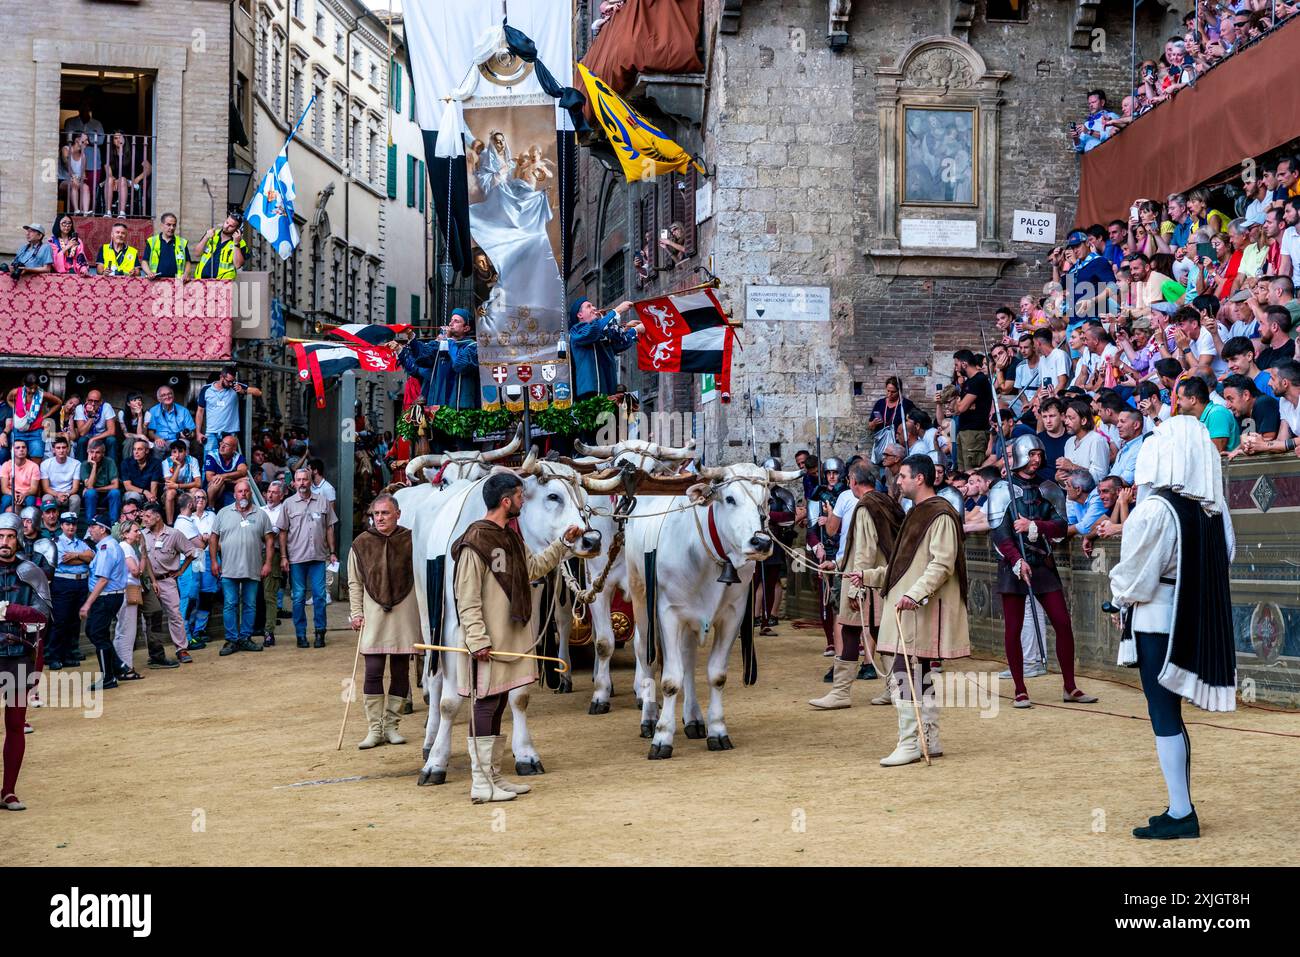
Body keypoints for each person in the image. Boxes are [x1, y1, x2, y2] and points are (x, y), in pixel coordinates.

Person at [1108, 417, 1236, 839]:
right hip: (1191, 616)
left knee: (1163, 714)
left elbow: (1134, 576)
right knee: (1170, 716)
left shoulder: (1157, 509)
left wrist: (1119, 597)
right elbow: (1226, 558)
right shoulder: (1213, 511)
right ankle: (1179, 806)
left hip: (1157, 620)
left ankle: (1182, 812)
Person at [451, 472, 581, 802]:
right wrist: (477, 639)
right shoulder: (475, 540)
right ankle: (481, 783)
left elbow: (533, 568)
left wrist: (563, 544)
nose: (524, 501)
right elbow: (466, 597)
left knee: (496, 705)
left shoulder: (510, 537)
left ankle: (493, 776)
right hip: (487, 642)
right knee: (486, 703)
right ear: (506, 500)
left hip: (507, 640)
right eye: (521, 496)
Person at [859, 455, 968, 766]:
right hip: (910, 605)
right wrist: (868, 576)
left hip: (920, 608)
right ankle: (927, 739)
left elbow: (942, 564)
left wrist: (915, 595)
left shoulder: (941, 515)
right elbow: (902, 566)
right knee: (916, 674)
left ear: (920, 478)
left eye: (903, 476)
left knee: (903, 672)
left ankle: (910, 743)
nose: (898, 481)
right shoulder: (916, 513)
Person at [989, 435, 1098, 708]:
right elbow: (1000, 533)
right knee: (1013, 628)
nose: (1037, 459)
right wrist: (1015, 559)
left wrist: (1034, 525)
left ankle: (1070, 686)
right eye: (1033, 454)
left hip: (1043, 562)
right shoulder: (1001, 489)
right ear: (1022, 455)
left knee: (1062, 622)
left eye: (1040, 454)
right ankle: (1019, 688)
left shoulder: (1049, 488)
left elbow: (1060, 526)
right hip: (1013, 565)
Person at [809, 461, 903, 711]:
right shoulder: (886, 503)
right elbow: (861, 548)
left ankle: (841, 693)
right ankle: (894, 690)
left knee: (850, 630)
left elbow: (865, 550)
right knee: (881, 633)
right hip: (882, 578)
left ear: (852, 480)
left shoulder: (865, 507)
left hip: (866, 582)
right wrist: (837, 563)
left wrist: (855, 587)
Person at [348, 493, 420, 749]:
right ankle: (374, 729)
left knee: (401, 671)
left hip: (405, 614)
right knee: (374, 671)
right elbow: (355, 582)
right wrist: (356, 613)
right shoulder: (361, 543)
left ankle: (392, 726)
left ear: (397, 514)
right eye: (376, 514)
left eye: (385, 513)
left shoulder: (412, 540)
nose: (379, 518)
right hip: (374, 616)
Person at [0, 512, 53, 811]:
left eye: (9, 536)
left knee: (16, 724)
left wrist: (11, 610)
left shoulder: (31, 571)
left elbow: (44, 615)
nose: (3, 542)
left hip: (19, 655)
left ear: (18, 538)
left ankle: (8, 791)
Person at [211, 479, 272, 657]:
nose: (243, 494)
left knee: (250, 605)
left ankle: (245, 638)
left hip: (252, 568)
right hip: (228, 569)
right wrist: (214, 561)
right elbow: (213, 538)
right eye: (240, 491)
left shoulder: (260, 514)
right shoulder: (223, 513)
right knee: (230, 604)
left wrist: (268, 563)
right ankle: (231, 639)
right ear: (234, 494)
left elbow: (269, 540)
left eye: (246, 491)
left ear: (250, 493)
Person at [281, 467, 337, 648]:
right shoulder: (288, 504)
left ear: (310, 480)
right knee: (298, 597)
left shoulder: (323, 501)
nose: (302, 483)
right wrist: (283, 556)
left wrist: (333, 551)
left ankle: (320, 633)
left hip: (318, 557)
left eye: (305, 479)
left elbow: (329, 527)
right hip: (297, 558)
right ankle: (300, 635)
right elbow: (282, 532)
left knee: (320, 596)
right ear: (294, 483)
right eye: (299, 480)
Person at [139, 502, 200, 664]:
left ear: (158, 516)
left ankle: (182, 649)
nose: (144, 519)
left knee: (175, 615)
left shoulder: (174, 534)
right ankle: (154, 653)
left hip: (167, 580)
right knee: (150, 618)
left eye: (147, 516)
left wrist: (180, 571)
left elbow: (191, 552)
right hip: (148, 582)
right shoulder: (141, 535)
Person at [80, 517, 128, 691]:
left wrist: (87, 603)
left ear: (102, 529)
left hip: (106, 596)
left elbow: (102, 580)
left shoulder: (107, 548)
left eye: (93, 526)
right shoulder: (106, 547)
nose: (90, 530)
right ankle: (118, 667)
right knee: (94, 631)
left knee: (96, 633)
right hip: (109, 596)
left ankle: (109, 677)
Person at [399, 308, 480, 412]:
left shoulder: (472, 347)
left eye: (456, 321)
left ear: (466, 328)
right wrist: (411, 335)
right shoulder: (443, 344)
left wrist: (449, 339)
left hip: (460, 407)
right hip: (437, 405)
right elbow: (423, 357)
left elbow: (459, 364)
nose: (451, 324)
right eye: (451, 320)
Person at [568, 298, 644, 400]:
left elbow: (618, 344)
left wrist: (635, 330)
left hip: (607, 390)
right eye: (589, 306)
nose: (594, 308)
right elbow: (593, 331)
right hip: (591, 391)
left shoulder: (598, 330)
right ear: (580, 315)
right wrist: (617, 310)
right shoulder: (576, 330)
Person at [47, 512, 93, 671]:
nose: (71, 526)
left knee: (74, 622)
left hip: (81, 583)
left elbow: (92, 557)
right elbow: (65, 559)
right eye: (67, 524)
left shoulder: (80, 542)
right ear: (61, 525)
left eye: (73, 523)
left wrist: (76, 555)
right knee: (60, 621)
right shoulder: (56, 542)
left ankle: (67, 655)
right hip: (63, 583)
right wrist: (81, 557)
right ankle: (53, 656)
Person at [196, 366, 259, 463]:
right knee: (208, 462)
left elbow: (258, 392)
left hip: (230, 432)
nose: (230, 384)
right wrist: (198, 432)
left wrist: (243, 391)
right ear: (221, 377)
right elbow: (200, 411)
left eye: (232, 381)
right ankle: (207, 478)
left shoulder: (235, 386)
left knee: (229, 462)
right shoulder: (206, 389)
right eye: (228, 381)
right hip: (211, 432)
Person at [112, 520, 146, 681]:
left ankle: (120, 665)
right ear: (125, 534)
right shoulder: (125, 547)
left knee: (123, 630)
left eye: (138, 530)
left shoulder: (126, 547)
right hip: (128, 590)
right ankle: (126, 667)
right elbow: (136, 571)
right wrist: (144, 553)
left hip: (125, 590)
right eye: (135, 530)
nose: (138, 533)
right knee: (127, 631)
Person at [951, 350, 993, 470]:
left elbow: (961, 407)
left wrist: (962, 405)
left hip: (975, 432)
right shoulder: (968, 382)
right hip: (964, 430)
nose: (956, 369)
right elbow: (957, 410)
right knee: (961, 470)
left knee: (971, 471)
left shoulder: (979, 380)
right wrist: (962, 404)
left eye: (956, 365)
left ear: (964, 364)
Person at [7, 375, 62, 462]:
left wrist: (46, 416)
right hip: (19, 432)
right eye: (30, 388)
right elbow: (9, 399)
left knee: (36, 459)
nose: (33, 390)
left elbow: (58, 402)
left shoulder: (42, 394)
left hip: (36, 432)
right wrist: (16, 410)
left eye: (35, 388)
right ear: (25, 385)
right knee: (17, 460)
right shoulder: (16, 392)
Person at [1175, 376, 1237, 452]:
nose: (1177, 402)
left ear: (1192, 400)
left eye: (1180, 398)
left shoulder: (1217, 414)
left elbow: (1215, 452)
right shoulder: (1197, 418)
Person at [258, 480, 287, 646]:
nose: (270, 495)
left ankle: (269, 631)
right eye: (269, 491)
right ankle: (252, 629)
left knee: (269, 594)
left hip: (274, 554)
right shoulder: (259, 510)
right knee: (253, 594)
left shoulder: (284, 511)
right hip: (255, 553)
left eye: (274, 492)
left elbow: (272, 535)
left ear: (282, 495)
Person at [146, 385, 197, 456]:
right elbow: (150, 432)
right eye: (163, 395)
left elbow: (193, 433)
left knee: (184, 444)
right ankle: (158, 467)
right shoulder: (153, 410)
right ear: (159, 399)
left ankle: (183, 467)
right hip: (162, 440)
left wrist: (188, 435)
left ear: (173, 395)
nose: (167, 397)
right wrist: (157, 438)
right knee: (157, 446)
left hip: (179, 440)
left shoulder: (184, 411)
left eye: (169, 394)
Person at [195, 213, 248, 280]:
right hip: (201, 280)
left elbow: (238, 265)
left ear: (237, 229)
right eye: (227, 222)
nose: (226, 226)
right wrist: (206, 237)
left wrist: (236, 243)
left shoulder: (241, 243)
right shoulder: (212, 234)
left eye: (231, 226)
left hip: (223, 284)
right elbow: (197, 253)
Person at [79, 440, 122, 523]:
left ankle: (114, 525)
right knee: (91, 493)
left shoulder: (109, 462)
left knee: (115, 492)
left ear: (103, 453)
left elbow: (115, 485)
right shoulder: (84, 464)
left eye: (97, 452)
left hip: (106, 496)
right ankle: (90, 524)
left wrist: (96, 489)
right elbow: (90, 486)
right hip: (91, 498)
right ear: (88, 452)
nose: (94, 455)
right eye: (92, 452)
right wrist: (94, 466)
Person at [161, 439, 201, 524]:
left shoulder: (192, 460)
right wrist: (178, 466)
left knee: (195, 491)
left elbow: (198, 483)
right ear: (171, 453)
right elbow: (169, 485)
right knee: (170, 492)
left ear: (186, 452)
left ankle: (193, 520)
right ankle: (170, 524)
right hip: (173, 490)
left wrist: (178, 486)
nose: (177, 455)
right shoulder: (166, 462)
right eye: (174, 452)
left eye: (180, 451)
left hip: (186, 489)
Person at [39, 437, 81, 517]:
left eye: (64, 447)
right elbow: (46, 488)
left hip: (68, 494)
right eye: (58, 448)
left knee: (76, 499)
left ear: (68, 449)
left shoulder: (76, 464)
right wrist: (58, 494)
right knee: (46, 497)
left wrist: (66, 494)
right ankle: (50, 524)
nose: (61, 450)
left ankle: (71, 522)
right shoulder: (45, 464)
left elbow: (75, 488)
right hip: (53, 494)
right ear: (53, 450)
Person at [204, 434, 249, 509]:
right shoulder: (212, 455)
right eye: (222, 443)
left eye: (226, 445)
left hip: (229, 491)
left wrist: (223, 476)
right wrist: (234, 481)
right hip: (210, 490)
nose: (222, 446)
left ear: (234, 449)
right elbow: (210, 478)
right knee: (218, 483)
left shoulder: (238, 457)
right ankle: (210, 507)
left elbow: (242, 471)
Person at [141, 212, 189, 279]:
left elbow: (187, 262)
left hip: (177, 281)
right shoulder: (152, 241)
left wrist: (186, 274)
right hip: (156, 281)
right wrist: (149, 272)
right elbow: (144, 261)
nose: (172, 228)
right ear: (162, 225)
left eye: (174, 225)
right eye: (168, 225)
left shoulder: (182, 242)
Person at [74, 391, 119, 462]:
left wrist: (94, 439)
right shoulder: (80, 408)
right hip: (87, 437)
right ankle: (81, 468)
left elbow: (112, 431)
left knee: (112, 440)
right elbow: (82, 433)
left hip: (102, 437)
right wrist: (91, 417)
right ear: (86, 400)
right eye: (90, 401)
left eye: (96, 401)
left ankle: (113, 470)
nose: (93, 404)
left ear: (101, 402)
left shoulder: (106, 407)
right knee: (82, 441)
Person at [0, 440, 41, 513]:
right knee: (6, 500)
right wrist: (13, 494)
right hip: (11, 493)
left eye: (23, 447)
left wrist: (24, 494)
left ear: (27, 450)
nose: (21, 449)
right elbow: (4, 488)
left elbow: (34, 489)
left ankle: (31, 523)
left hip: (27, 493)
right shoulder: (6, 465)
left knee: (31, 501)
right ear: (11, 451)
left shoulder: (34, 466)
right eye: (17, 448)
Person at [120, 438, 162, 503]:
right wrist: (144, 491)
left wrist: (152, 499)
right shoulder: (126, 463)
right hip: (134, 493)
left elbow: (154, 484)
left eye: (139, 449)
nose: (136, 452)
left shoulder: (155, 463)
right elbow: (127, 486)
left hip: (149, 494)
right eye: (134, 449)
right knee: (133, 495)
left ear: (147, 451)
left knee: (152, 505)